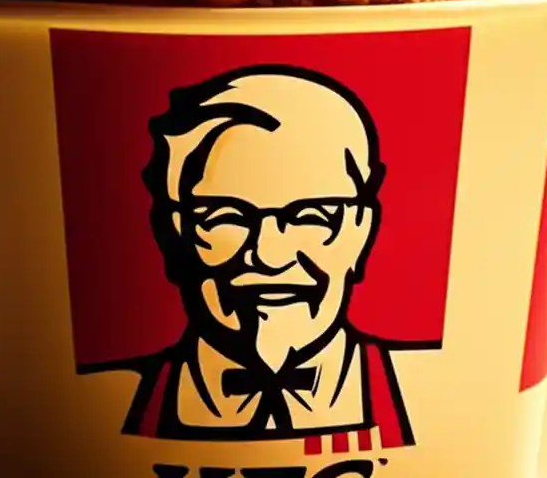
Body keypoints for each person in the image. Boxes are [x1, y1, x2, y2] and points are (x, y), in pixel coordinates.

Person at [104, 65, 414, 446]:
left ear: (361, 231)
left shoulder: (429, 389)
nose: (269, 256)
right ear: (174, 234)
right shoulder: (100, 402)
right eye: (226, 217)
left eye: (312, 216)